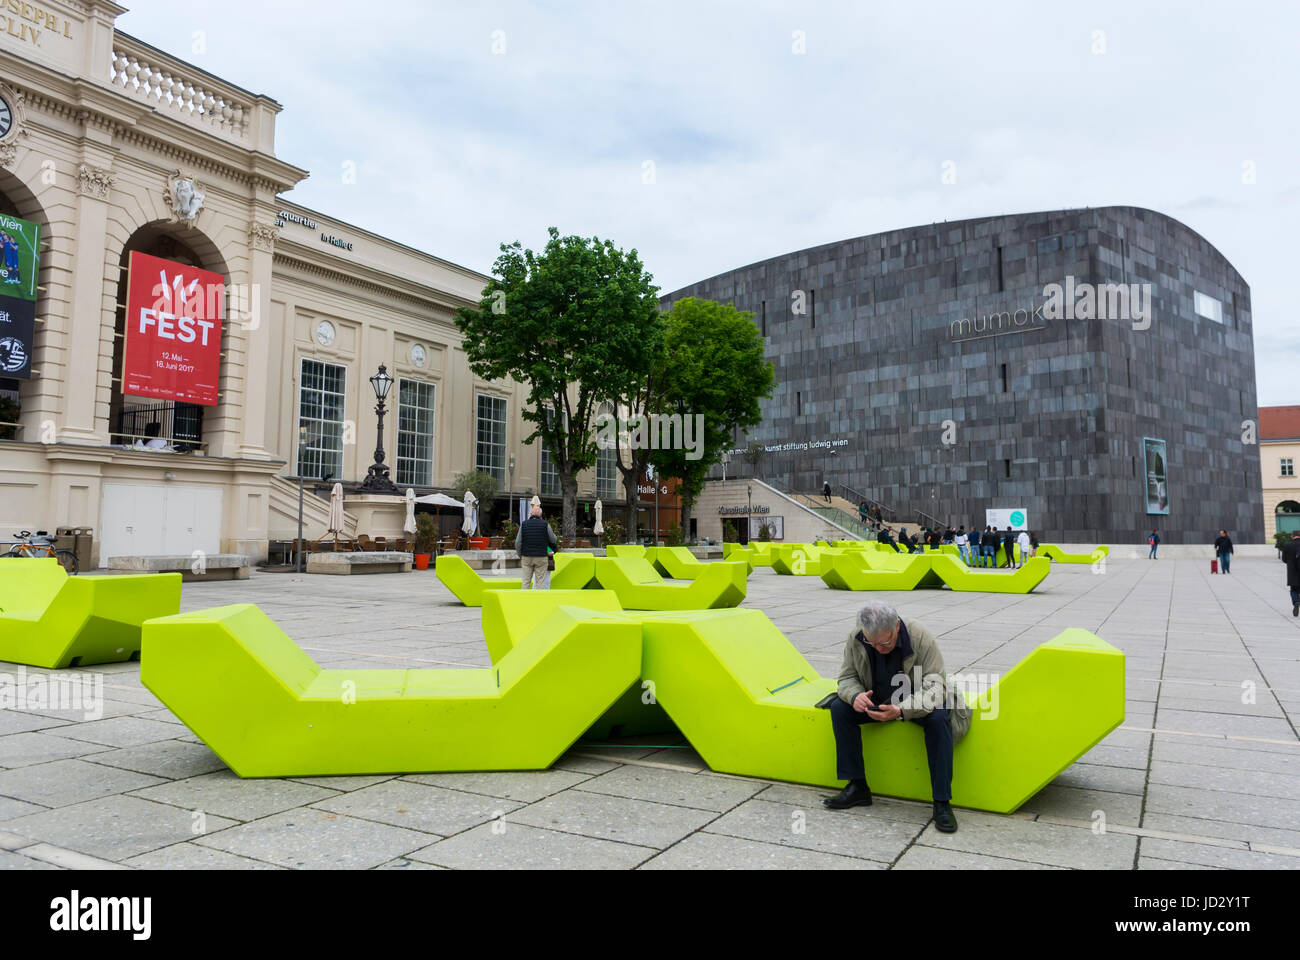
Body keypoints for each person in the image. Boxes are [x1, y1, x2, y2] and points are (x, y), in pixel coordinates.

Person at [823, 600, 972, 834]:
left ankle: (941, 802)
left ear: (897, 628)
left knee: (939, 718)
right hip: (877, 699)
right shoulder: (857, 638)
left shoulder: (920, 636)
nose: (878, 648)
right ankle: (857, 786)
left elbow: (936, 686)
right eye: (872, 643)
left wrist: (902, 710)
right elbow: (846, 677)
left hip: (914, 701)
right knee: (840, 709)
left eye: (885, 642)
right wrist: (855, 696)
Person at [515, 504, 557, 589]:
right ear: (541, 515)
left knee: (526, 582)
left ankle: (524, 600)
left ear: (530, 514)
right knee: (540, 582)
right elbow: (553, 539)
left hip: (526, 556)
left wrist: (521, 555)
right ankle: (538, 601)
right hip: (541, 557)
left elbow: (517, 542)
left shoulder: (524, 524)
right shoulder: (545, 524)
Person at [1282, 531, 1300, 617]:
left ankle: (1296, 602)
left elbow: (1284, 559)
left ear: (1292, 536)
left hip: (1292, 571)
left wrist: (1290, 562)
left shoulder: (1287, 545)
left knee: (1293, 589)